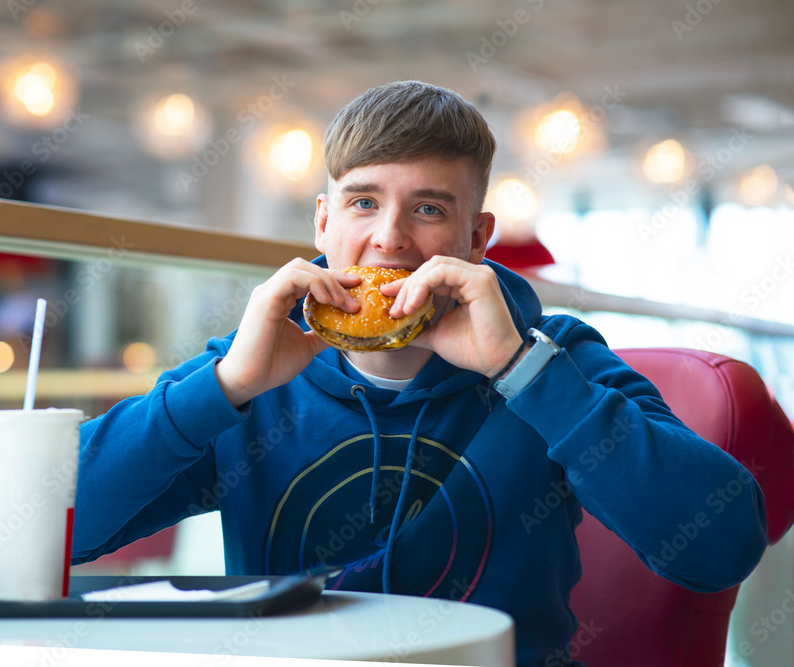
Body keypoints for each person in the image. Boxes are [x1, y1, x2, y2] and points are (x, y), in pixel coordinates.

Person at [71, 81, 767, 666]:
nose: (390, 237)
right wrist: (221, 387)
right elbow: (59, 527)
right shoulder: (248, 372)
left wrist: (520, 368)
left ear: (476, 237)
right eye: (363, 201)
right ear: (323, 221)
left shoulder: (556, 359)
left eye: (428, 208)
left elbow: (721, 546)